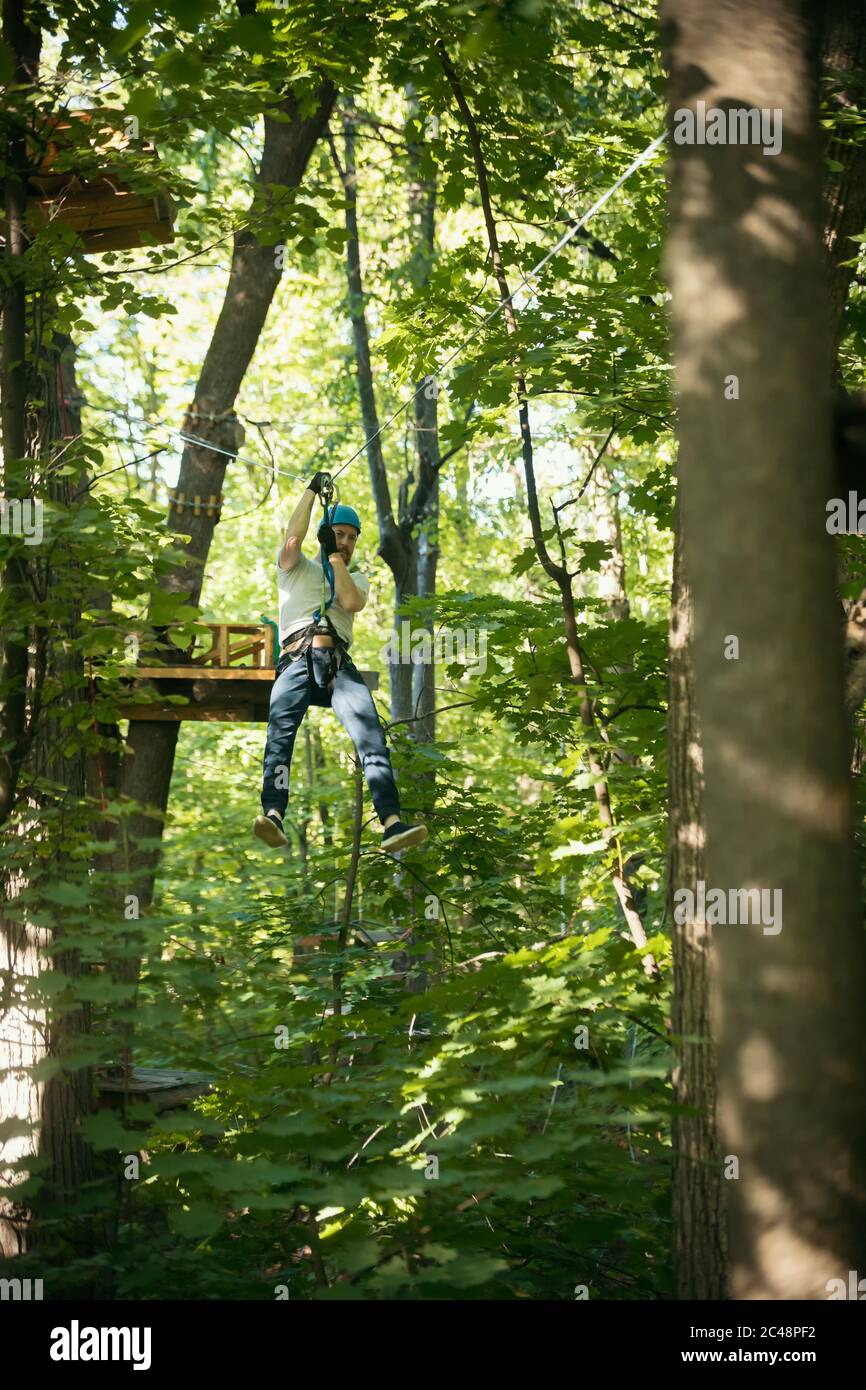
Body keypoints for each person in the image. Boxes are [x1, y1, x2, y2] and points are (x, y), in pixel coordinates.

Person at [253, 471, 428, 855]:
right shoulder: (296, 569)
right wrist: (312, 491)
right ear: (326, 532)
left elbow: (350, 602)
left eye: (351, 537)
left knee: (371, 736)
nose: (346, 542)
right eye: (340, 534)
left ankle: (392, 822)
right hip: (296, 659)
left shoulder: (356, 577)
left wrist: (335, 557)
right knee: (280, 736)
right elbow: (293, 538)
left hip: (337, 667)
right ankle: (274, 812)